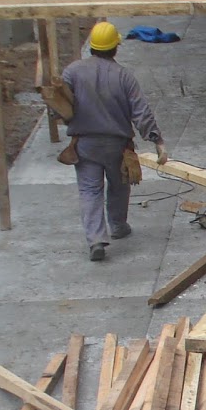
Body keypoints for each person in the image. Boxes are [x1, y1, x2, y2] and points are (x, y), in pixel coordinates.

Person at [61, 22, 165, 262]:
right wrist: (157, 140)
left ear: (92, 47)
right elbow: (141, 111)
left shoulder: (72, 72)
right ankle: (118, 226)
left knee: (89, 190)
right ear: (115, 48)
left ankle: (96, 240)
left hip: (84, 143)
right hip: (117, 145)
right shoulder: (123, 76)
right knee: (119, 185)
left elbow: (60, 103)